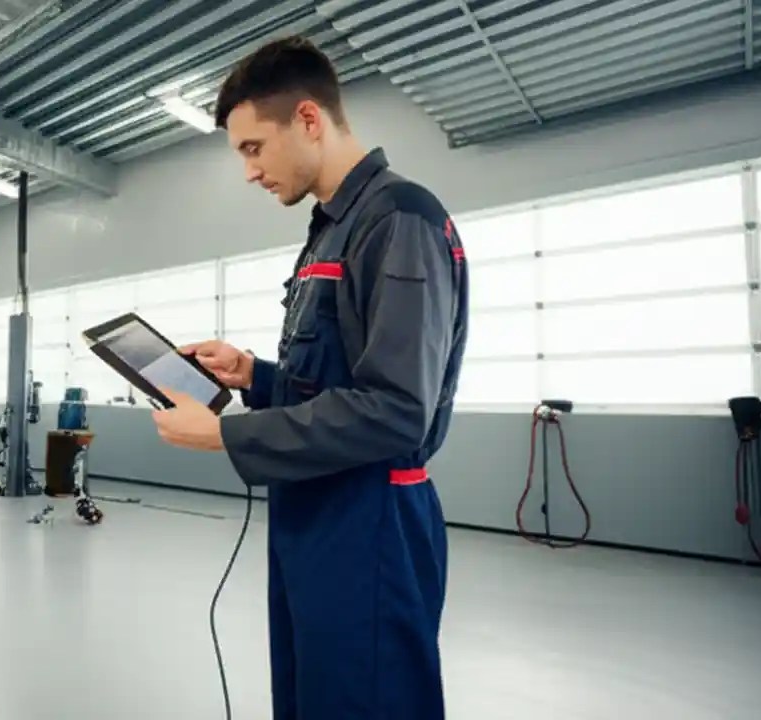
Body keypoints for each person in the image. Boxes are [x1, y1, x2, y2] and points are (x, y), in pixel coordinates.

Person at [150, 36, 469, 719]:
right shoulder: (330, 230)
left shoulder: (400, 219)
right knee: (309, 700)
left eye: (252, 148)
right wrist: (253, 376)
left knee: (370, 702)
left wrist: (227, 437)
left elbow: (394, 410)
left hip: (370, 522)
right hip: (312, 511)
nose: (248, 172)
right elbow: (337, 381)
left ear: (307, 119)